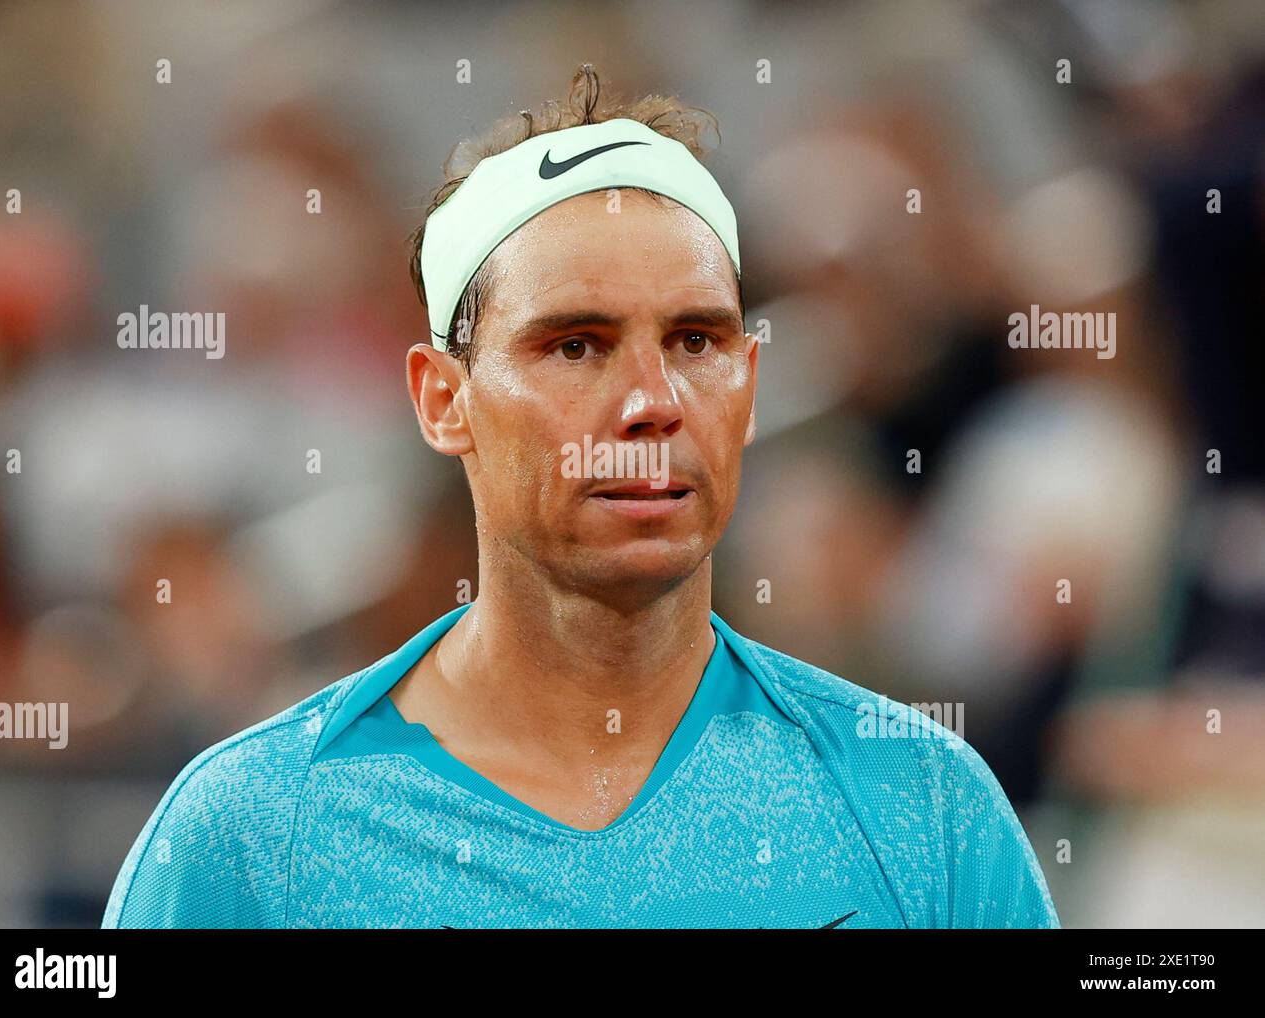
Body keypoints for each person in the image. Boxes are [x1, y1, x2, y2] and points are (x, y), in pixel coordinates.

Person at [102, 65, 1059, 929]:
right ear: (443, 400)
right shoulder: (253, 836)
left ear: (750, 385)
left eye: (695, 341)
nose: (653, 402)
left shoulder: (921, 806)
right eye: (576, 346)